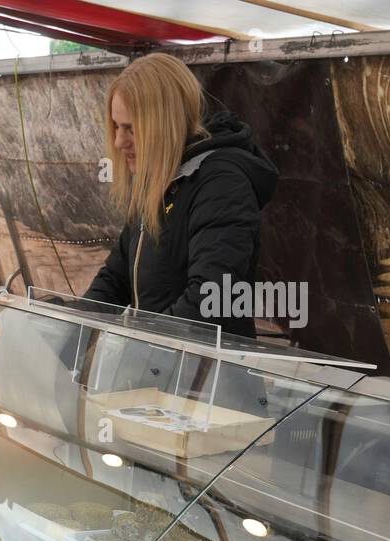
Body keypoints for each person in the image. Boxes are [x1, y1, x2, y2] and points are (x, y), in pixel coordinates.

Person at [83, 53, 278, 338]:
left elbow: (208, 299)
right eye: (115, 126)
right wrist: (70, 325)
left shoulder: (222, 183)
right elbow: (117, 276)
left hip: (208, 375)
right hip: (161, 370)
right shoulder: (158, 179)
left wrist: (140, 348)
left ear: (165, 124)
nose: (119, 141)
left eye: (132, 129)